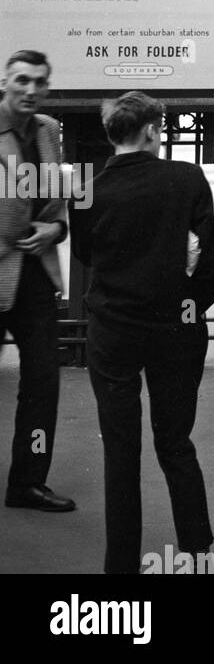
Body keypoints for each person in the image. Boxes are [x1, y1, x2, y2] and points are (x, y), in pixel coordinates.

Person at [72, 92, 214, 574]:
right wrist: (191, 304)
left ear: (112, 133)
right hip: (174, 330)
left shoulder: (88, 190)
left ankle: (120, 565)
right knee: (175, 441)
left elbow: (86, 257)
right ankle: (197, 551)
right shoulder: (186, 179)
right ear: (153, 131)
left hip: (113, 328)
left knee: (120, 451)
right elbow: (210, 258)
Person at [0, 49, 75, 514]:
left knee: (43, 383)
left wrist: (57, 230)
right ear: (5, 81)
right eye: (22, 80)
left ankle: (27, 483)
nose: (31, 90)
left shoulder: (48, 131)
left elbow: (58, 200)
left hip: (35, 274)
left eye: (40, 82)